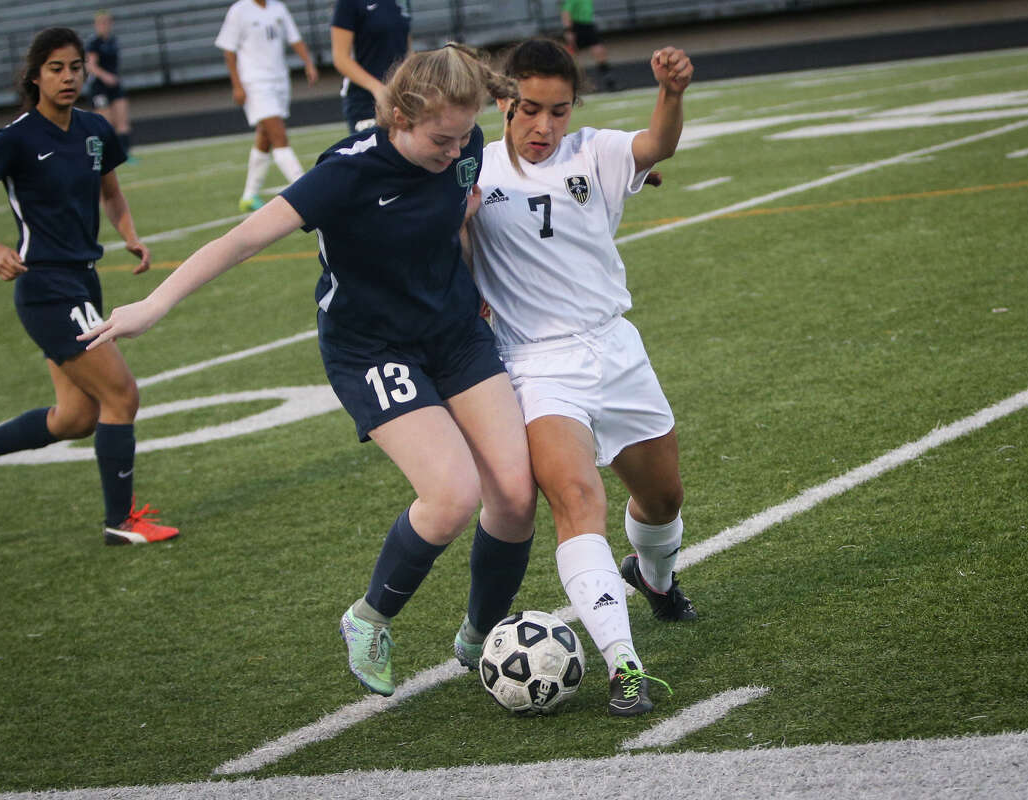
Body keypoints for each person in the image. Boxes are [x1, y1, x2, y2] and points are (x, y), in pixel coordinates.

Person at [78, 45, 536, 697]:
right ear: (401, 116)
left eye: (464, 136)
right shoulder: (345, 174)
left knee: (516, 497)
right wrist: (154, 305)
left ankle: (481, 634)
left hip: (455, 332)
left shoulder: (463, 144)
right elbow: (240, 241)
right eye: (442, 138)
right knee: (452, 496)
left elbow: (456, 220)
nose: (455, 149)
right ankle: (369, 617)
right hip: (373, 346)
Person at [466, 38, 696, 716]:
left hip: (615, 350)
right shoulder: (470, 173)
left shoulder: (591, 152)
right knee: (576, 501)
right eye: (530, 109)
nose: (544, 127)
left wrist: (672, 92)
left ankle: (653, 578)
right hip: (534, 366)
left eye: (558, 111)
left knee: (663, 501)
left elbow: (657, 143)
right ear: (504, 102)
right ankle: (625, 667)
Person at [0, 26, 179, 546]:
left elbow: (111, 194)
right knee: (122, 395)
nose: (68, 76)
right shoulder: (16, 137)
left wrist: (130, 236)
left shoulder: (95, 130)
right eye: (56, 68)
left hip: (84, 283)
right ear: (35, 76)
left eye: (75, 66)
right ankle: (121, 523)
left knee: (75, 418)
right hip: (47, 287)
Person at [215, 0, 320, 212]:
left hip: (280, 80)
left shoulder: (278, 8)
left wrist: (308, 63)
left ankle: (249, 195)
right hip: (255, 82)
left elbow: (295, 38)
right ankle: (306, 189)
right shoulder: (239, 11)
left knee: (266, 135)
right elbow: (229, 51)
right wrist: (237, 85)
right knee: (279, 135)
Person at [330, 0, 411, 134]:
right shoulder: (347, 3)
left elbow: (406, 49)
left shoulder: (400, 2)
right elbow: (340, 58)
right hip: (366, 101)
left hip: (401, 96)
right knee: (376, 153)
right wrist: (378, 89)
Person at [85, 10, 133, 161]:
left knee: (122, 120)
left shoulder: (113, 41)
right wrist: (105, 76)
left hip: (115, 85)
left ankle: (125, 154)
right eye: (101, 23)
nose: (104, 26)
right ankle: (106, 156)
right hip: (100, 87)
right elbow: (90, 66)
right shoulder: (94, 43)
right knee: (106, 123)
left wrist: (114, 78)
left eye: (106, 22)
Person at [560, 0, 615, 92]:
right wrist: (568, 30)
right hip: (577, 26)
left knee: (599, 50)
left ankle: (607, 78)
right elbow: (565, 12)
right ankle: (564, 79)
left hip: (588, 25)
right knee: (570, 55)